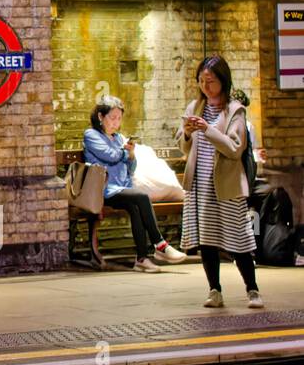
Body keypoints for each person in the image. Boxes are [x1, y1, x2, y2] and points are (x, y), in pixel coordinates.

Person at [179, 55, 261, 308]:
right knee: (207, 240)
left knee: (239, 239)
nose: (206, 86)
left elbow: (234, 148)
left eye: (211, 81)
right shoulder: (194, 107)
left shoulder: (235, 109)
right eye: (201, 81)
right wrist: (188, 134)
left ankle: (253, 289)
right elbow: (183, 147)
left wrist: (207, 129)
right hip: (200, 185)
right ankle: (214, 290)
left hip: (227, 185)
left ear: (223, 81)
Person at [83, 96, 186, 273]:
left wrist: (131, 156)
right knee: (141, 196)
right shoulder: (91, 135)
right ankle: (160, 245)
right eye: (112, 118)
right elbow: (111, 156)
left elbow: (131, 167)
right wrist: (125, 152)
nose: (116, 123)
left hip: (123, 188)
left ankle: (142, 259)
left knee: (136, 207)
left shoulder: (119, 138)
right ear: (101, 116)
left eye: (119, 118)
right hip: (104, 190)